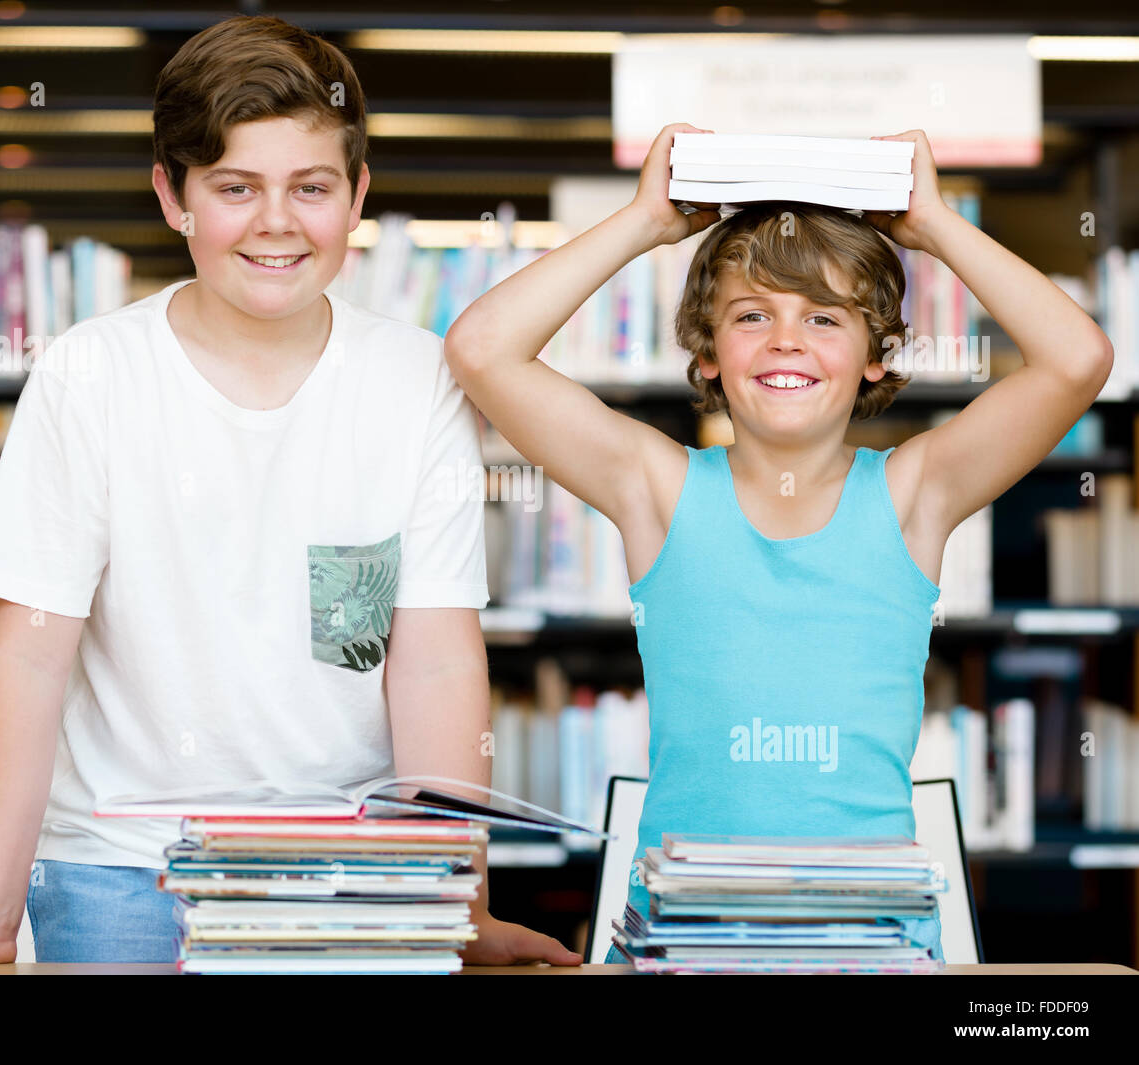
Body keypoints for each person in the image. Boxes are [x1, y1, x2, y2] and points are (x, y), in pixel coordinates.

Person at [0, 15, 579, 968]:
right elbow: (30, 662)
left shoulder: (416, 381)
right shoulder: (92, 374)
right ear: (174, 196)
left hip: (356, 878)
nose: (275, 222)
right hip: (122, 873)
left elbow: (437, 664)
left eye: (311, 188)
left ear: (358, 195)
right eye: (235, 188)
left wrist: (462, 904)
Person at [443, 122, 1114, 966]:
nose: (785, 340)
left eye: (825, 318)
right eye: (751, 316)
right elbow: (480, 349)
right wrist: (646, 221)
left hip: (872, 947)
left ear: (877, 355)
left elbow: (1078, 357)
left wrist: (934, 224)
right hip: (681, 943)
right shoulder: (658, 488)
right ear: (709, 353)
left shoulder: (914, 494)